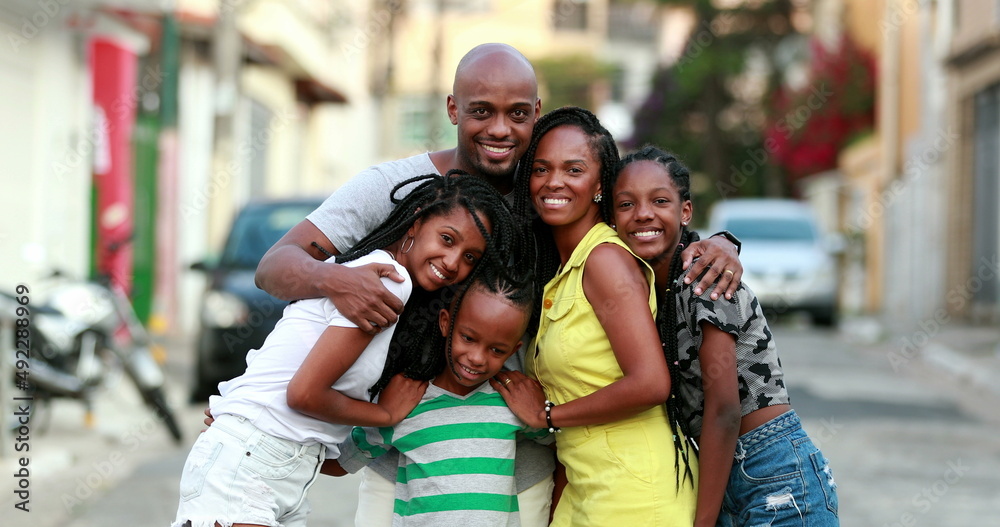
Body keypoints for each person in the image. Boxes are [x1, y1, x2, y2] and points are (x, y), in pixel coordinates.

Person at [251, 43, 742, 526]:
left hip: (522, 465)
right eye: (482, 111)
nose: (501, 129)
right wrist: (335, 280)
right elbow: (275, 265)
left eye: (517, 113)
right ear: (453, 109)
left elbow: (644, 221)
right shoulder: (397, 185)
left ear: (536, 113)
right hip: (403, 454)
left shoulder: (549, 192)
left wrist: (719, 243)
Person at [173, 173, 514, 527]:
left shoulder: (377, 279)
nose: (453, 262)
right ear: (415, 222)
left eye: (470, 256)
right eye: (447, 239)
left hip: (273, 462)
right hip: (252, 459)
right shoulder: (387, 283)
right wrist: (385, 414)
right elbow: (303, 394)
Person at [608, 145, 840, 526]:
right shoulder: (648, 291)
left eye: (660, 201)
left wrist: (702, 522)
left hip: (775, 474)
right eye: (626, 204)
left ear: (685, 211)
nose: (643, 213)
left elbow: (725, 411)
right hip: (727, 473)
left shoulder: (706, 275)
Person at [497, 106, 698, 526]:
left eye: (574, 169)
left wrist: (546, 416)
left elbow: (651, 382)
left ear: (600, 185)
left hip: (636, 492)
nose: (554, 181)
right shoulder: (564, 269)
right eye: (541, 169)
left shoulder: (605, 261)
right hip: (588, 487)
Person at [322, 266, 550, 526]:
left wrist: (542, 413)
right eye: (468, 338)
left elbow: (560, 444)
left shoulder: (511, 404)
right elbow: (339, 463)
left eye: (497, 350)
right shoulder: (406, 405)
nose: (477, 358)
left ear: (514, 350)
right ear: (445, 323)